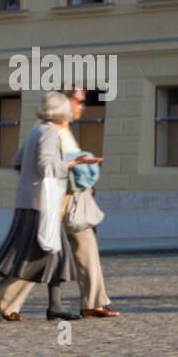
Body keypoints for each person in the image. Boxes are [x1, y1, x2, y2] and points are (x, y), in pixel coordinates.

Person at [0, 91, 101, 321]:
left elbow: (17, 161)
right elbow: (46, 165)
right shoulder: (50, 134)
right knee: (45, 254)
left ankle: (54, 305)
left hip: (30, 200)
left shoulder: (36, 131)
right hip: (41, 204)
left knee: (53, 253)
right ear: (60, 112)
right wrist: (73, 163)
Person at [64, 89, 119, 318]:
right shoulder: (51, 130)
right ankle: (2, 298)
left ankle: (93, 302)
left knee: (86, 248)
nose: (82, 106)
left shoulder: (62, 129)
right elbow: (56, 164)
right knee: (35, 256)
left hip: (72, 195)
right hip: (63, 200)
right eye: (78, 101)